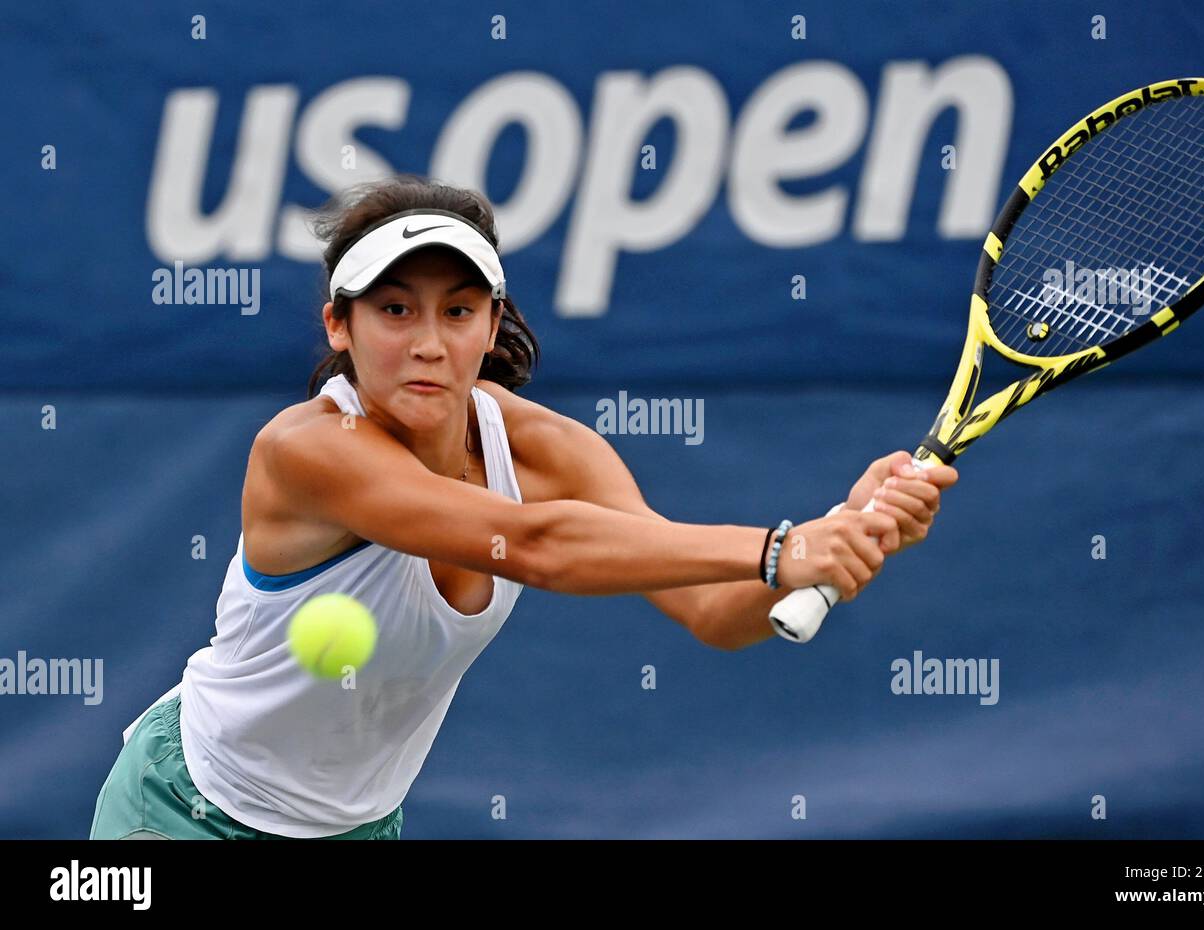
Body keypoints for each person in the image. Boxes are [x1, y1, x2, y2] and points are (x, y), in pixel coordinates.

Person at [90, 175, 958, 840]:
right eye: (394, 310)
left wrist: (847, 533)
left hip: (356, 827)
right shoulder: (304, 450)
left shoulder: (552, 452)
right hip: (184, 810)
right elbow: (532, 546)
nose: (428, 342)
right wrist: (782, 548)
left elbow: (714, 614)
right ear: (338, 327)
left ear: (491, 323)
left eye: (457, 311)